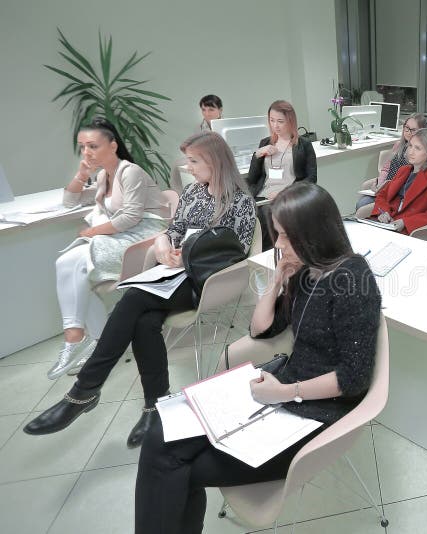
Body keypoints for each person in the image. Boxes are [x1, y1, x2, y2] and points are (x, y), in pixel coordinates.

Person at [134, 182, 381, 534]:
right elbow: (261, 329)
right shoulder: (306, 270)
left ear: (313, 234)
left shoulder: (354, 280)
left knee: (174, 463)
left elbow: (353, 379)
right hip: (280, 390)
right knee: (161, 433)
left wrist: (287, 392)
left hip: (315, 410)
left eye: (283, 236)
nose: (277, 245)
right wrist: (278, 280)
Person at [24, 131, 256, 448]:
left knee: (133, 297)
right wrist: (163, 245)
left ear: (215, 161)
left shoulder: (241, 202)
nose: (188, 167)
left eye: (193, 161)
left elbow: (236, 252)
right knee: (145, 322)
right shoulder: (191, 193)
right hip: (173, 276)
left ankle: (84, 391)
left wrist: (187, 259)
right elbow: (173, 230)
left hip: (207, 282)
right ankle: (154, 407)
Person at [49, 117, 168, 380]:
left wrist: (92, 232)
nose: (87, 152)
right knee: (66, 264)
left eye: (93, 146)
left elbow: (131, 217)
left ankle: (79, 338)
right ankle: (82, 336)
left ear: (113, 145)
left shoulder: (130, 172)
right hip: (121, 236)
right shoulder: (105, 175)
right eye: (82, 147)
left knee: (81, 261)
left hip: (144, 239)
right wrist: (81, 174)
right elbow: (70, 201)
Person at [246, 100, 317, 250]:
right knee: (254, 213)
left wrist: (284, 192)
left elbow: (311, 179)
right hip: (263, 195)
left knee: (268, 214)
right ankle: (260, 256)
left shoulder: (303, 145)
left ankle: (273, 254)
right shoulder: (265, 142)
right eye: (272, 120)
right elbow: (252, 178)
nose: (275, 126)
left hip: (289, 195)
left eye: (280, 121)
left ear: (290, 121)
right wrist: (258, 154)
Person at [370, 128, 427, 234]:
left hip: (410, 230)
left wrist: (405, 222)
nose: (411, 151)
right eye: (410, 146)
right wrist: (383, 212)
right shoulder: (404, 170)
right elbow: (382, 195)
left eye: (417, 148)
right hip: (388, 224)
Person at [355, 113, 427, 210]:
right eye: (406, 128)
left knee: (363, 205)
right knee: (362, 202)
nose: (408, 132)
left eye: (413, 130)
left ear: (422, 131)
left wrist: (390, 188)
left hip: (400, 194)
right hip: (387, 189)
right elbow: (386, 169)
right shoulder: (399, 145)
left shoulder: (422, 152)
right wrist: (379, 184)